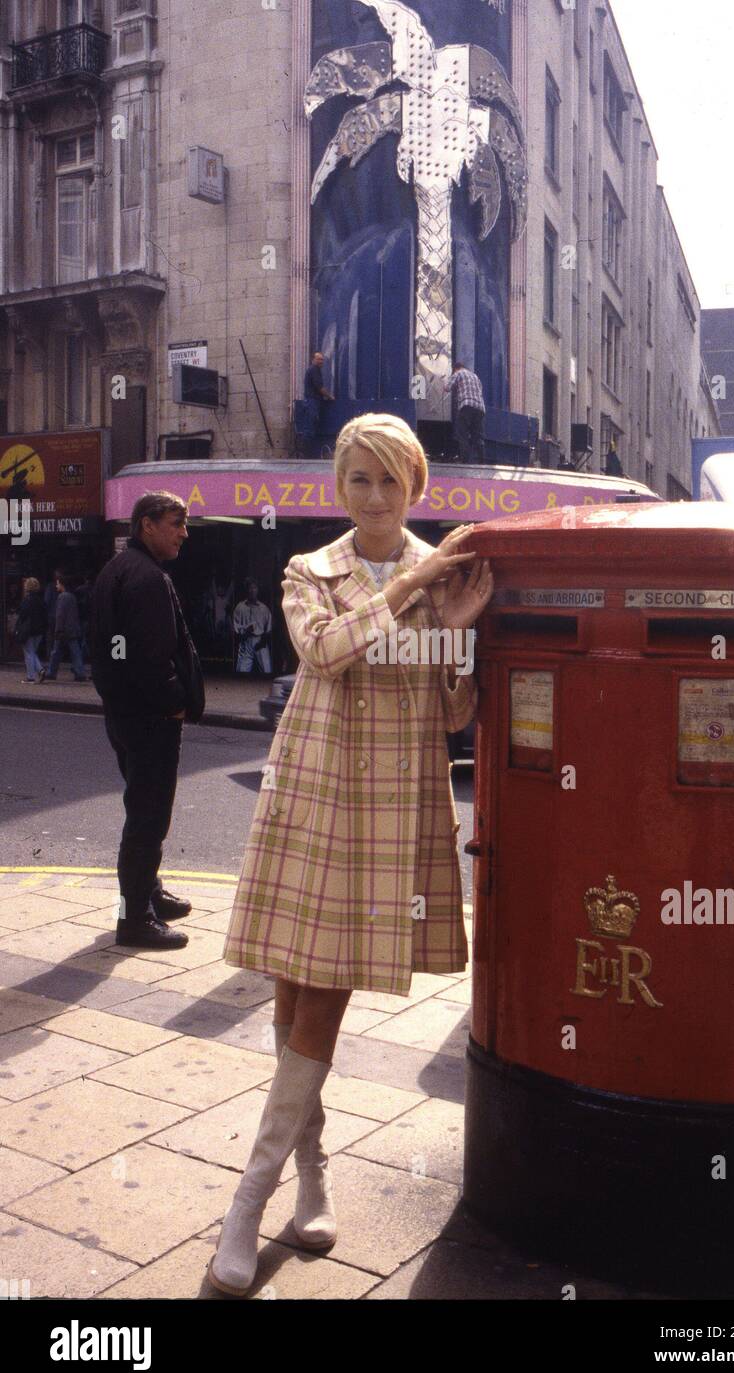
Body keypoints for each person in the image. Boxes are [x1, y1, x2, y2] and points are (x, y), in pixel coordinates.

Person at [209, 413, 494, 1296]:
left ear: (416, 486)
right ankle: (311, 1180)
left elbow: (451, 718)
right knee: (295, 992)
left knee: (319, 997)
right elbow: (324, 651)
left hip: (383, 810)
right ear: (340, 487)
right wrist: (411, 583)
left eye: (389, 481)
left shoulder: (437, 580)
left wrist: (462, 633)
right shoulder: (309, 570)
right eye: (357, 480)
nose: (373, 497)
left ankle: (246, 1206)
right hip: (313, 794)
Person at [89, 492, 206, 950]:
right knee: (147, 819)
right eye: (176, 523)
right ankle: (134, 918)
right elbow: (152, 658)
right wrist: (175, 702)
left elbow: (110, 652)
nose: (184, 533)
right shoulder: (148, 578)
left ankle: (148, 895)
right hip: (151, 718)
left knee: (142, 810)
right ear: (146, 526)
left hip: (125, 714)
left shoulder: (117, 570)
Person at [39, 574, 86, 682]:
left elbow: (60, 615)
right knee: (75, 651)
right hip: (72, 629)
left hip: (63, 630)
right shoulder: (72, 596)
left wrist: (58, 629)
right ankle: (80, 672)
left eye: (57, 584)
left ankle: (52, 672)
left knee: (55, 652)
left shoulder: (62, 597)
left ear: (62, 584)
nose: (56, 586)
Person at [445, 362, 486, 464]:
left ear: (455, 369)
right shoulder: (475, 376)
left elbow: (447, 387)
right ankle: (482, 461)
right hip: (480, 408)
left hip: (466, 405)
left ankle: (465, 461)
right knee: (477, 435)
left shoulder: (458, 373)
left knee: (462, 433)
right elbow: (480, 390)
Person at [233, 579, 273, 675]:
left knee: (266, 671)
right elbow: (236, 629)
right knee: (241, 672)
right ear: (246, 590)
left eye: (254, 588)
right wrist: (245, 633)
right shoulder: (240, 607)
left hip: (260, 642)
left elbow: (269, 630)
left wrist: (262, 642)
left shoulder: (264, 608)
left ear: (257, 590)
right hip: (245, 642)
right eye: (250, 588)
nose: (252, 590)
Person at [300, 351, 334, 458]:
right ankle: (306, 455)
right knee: (309, 429)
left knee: (310, 428)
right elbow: (319, 387)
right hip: (312, 402)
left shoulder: (314, 370)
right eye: (319, 359)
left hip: (311, 402)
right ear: (313, 360)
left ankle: (307, 454)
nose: (321, 361)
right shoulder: (314, 370)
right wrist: (330, 396)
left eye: (322, 359)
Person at [15, 577, 47, 682]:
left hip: (28, 630)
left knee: (28, 653)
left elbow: (22, 614)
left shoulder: (27, 600)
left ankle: (31, 677)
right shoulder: (40, 600)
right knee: (32, 651)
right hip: (39, 630)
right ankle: (40, 670)